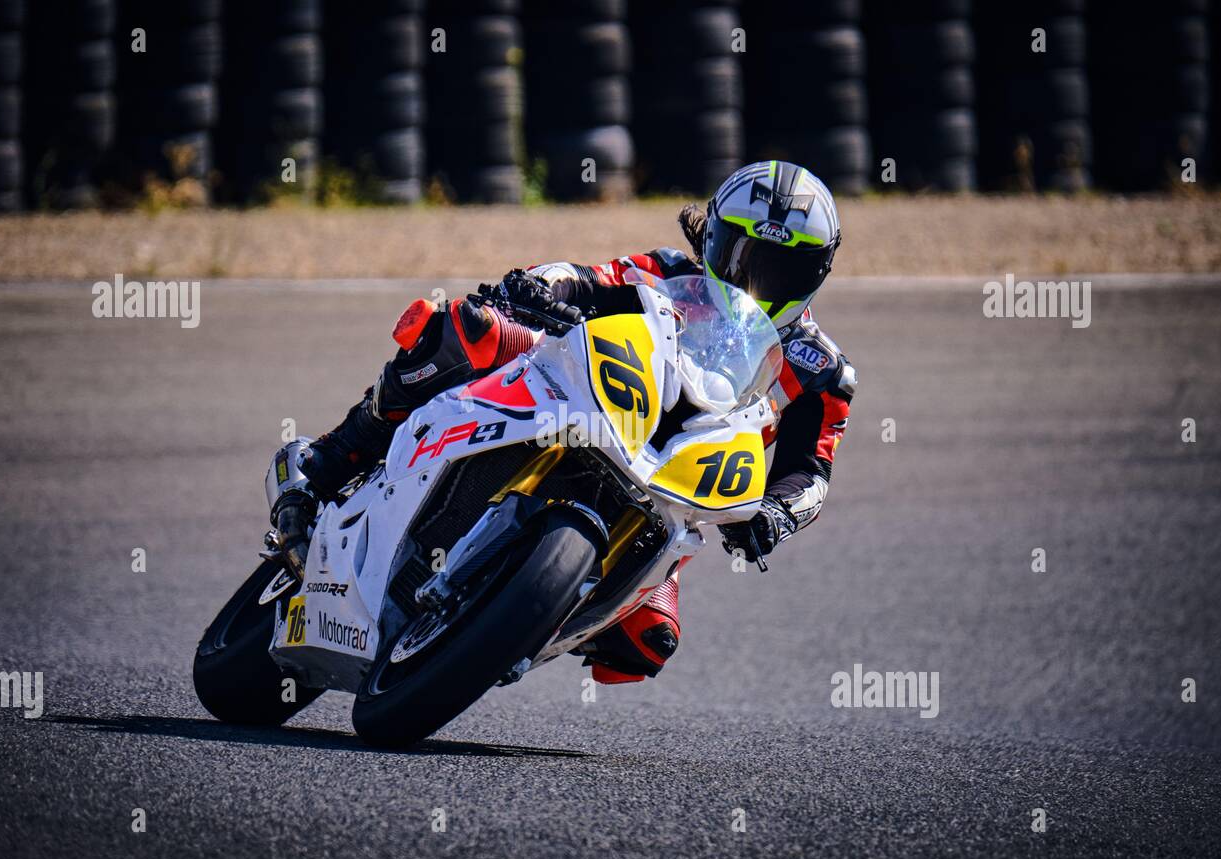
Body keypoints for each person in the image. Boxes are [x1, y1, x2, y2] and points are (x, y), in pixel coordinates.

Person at [270, 160, 857, 685]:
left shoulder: (821, 369)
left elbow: (811, 472)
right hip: (587, 401)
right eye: (742, 253)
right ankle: (326, 461)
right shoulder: (667, 272)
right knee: (467, 328)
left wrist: (776, 517)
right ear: (716, 237)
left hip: (673, 486)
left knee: (646, 644)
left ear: (815, 275)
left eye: (781, 268)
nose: (754, 277)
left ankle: (509, 626)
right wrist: (534, 289)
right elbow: (583, 276)